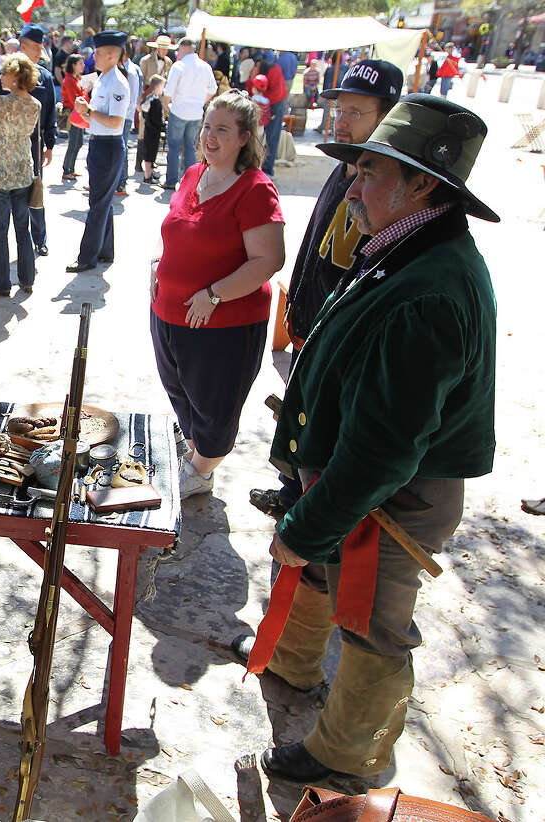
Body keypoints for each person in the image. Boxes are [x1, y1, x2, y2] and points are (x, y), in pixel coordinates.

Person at [241, 94, 498, 784]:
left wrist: (310, 521)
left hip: (397, 494)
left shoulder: (431, 292)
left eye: (369, 171)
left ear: (423, 186)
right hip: (361, 476)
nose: (352, 184)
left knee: (374, 624)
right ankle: (294, 668)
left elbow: (385, 450)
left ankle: (348, 757)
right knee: (321, 567)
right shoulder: (406, 246)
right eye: (355, 169)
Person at [248, 59, 404, 521]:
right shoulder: (345, 162)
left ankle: (305, 514)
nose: (342, 119)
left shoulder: (382, 178)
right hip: (309, 324)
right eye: (340, 108)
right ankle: (288, 491)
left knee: (322, 430)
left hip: (338, 335)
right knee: (298, 418)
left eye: (357, 112)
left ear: (387, 116)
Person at [149, 90, 285, 498]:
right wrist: (157, 263)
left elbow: (268, 260)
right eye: (207, 126)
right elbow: (172, 231)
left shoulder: (255, 190)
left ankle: (202, 470)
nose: (210, 135)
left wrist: (214, 294)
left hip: (223, 324)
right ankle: (195, 450)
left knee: (214, 404)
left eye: (222, 129)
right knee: (180, 390)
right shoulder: (193, 174)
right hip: (169, 313)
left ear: (244, 136)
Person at [65, 31, 133, 274]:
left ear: (113, 55)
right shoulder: (104, 78)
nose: (95, 56)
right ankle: (105, 251)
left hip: (109, 145)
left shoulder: (117, 83)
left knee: (97, 203)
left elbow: (116, 122)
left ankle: (87, 257)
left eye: (99, 53)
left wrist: (90, 112)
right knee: (102, 201)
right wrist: (87, 111)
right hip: (100, 143)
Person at [0, 53, 40, 297]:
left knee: (0, 230)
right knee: (22, 228)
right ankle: (27, 278)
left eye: (4, 73)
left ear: (16, 77)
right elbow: (15, 133)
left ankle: (2, 281)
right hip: (22, 170)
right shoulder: (35, 105)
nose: (0, 76)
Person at [8, 23, 55, 256]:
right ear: (23, 47)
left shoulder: (44, 77)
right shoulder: (6, 75)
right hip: (9, 144)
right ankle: (3, 236)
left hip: (35, 145)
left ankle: (40, 237)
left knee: (35, 192)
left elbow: (50, 115)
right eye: (35, 47)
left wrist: (50, 145)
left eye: (41, 46)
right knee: (8, 192)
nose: (39, 51)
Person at [162, 37, 217, 190]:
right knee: (190, 148)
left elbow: (168, 92)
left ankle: (171, 180)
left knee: (174, 147)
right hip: (195, 112)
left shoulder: (179, 66)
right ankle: (190, 183)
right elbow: (212, 89)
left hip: (179, 110)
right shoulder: (205, 67)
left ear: (183, 49)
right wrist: (201, 102)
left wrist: (167, 106)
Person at [116, 47, 143, 194]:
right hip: (121, 114)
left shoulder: (131, 71)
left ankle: (121, 182)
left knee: (121, 148)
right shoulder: (123, 69)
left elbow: (131, 97)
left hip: (124, 116)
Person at [260, 56, 290, 177]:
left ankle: (267, 169)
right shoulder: (264, 70)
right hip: (268, 102)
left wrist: (263, 101)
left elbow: (277, 93)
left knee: (271, 137)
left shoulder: (274, 70)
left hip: (276, 104)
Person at [60, 54, 86, 180]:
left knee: (78, 142)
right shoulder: (69, 80)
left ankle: (71, 168)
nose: (83, 65)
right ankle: (66, 169)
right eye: (80, 63)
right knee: (73, 142)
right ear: (73, 65)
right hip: (73, 113)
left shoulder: (75, 79)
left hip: (78, 113)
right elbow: (73, 99)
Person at [135, 73, 164, 182]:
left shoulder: (153, 98)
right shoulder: (151, 99)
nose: (163, 89)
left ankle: (150, 173)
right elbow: (143, 110)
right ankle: (147, 176)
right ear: (157, 86)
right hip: (150, 129)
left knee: (152, 152)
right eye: (162, 86)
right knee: (149, 153)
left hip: (153, 129)